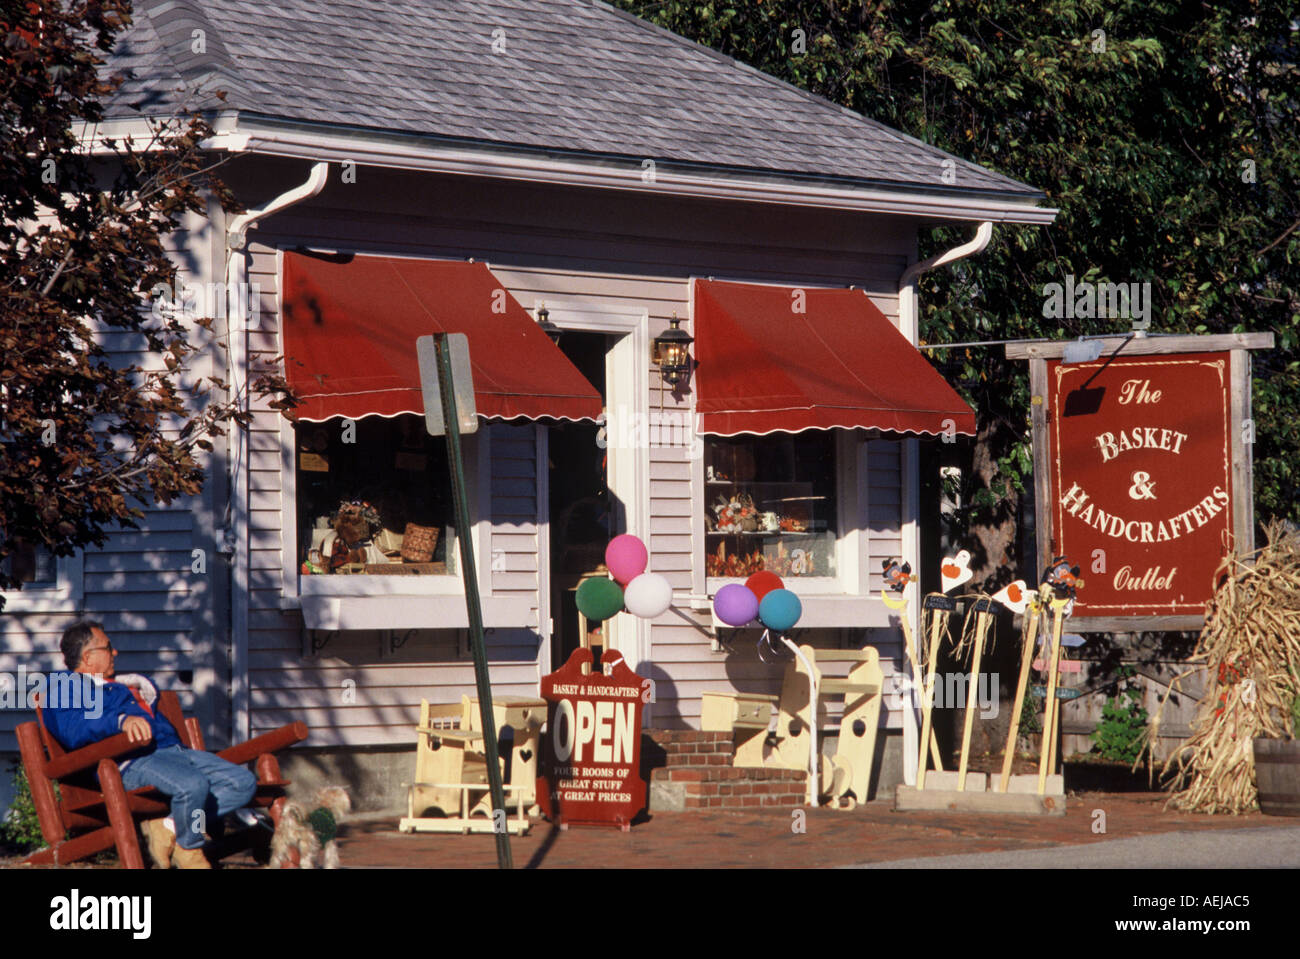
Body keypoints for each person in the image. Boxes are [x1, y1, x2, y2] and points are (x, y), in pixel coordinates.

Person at [44, 620, 259, 869]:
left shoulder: (119, 686)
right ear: (88, 657)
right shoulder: (67, 686)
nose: (115, 652)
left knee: (242, 784)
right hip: (132, 760)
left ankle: (170, 826)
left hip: (174, 752)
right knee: (193, 786)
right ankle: (189, 846)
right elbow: (74, 728)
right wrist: (120, 721)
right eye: (108, 647)